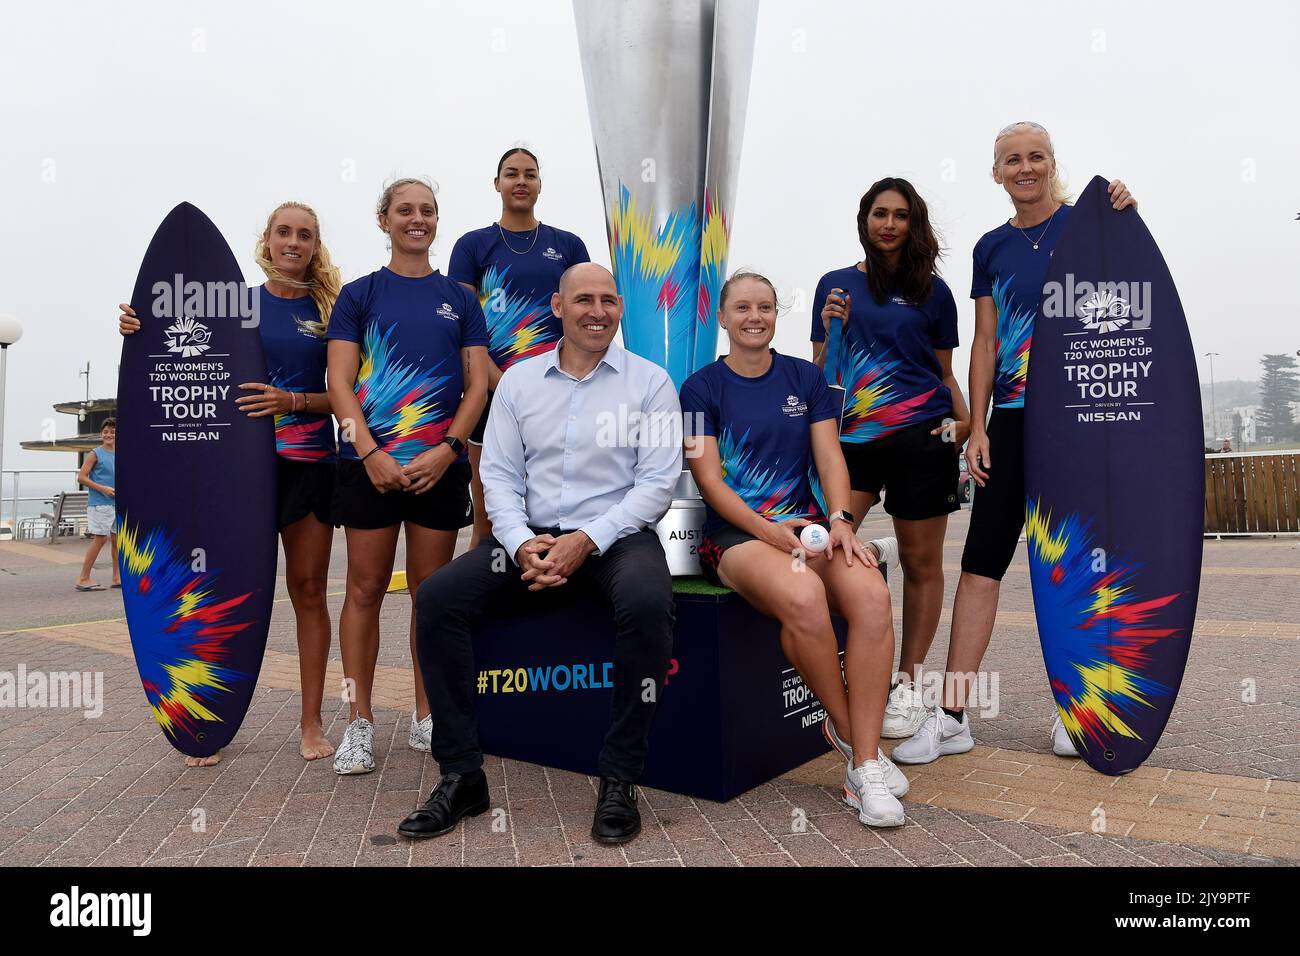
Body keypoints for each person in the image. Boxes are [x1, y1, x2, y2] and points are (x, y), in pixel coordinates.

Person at [398, 263, 679, 845]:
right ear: (558, 306)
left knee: (649, 601)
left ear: (620, 309)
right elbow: (497, 477)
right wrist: (523, 541)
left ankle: (621, 777)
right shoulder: (520, 383)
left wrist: (587, 540)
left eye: (608, 300)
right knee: (438, 599)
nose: (597, 311)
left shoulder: (651, 383)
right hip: (530, 539)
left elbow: (656, 484)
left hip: (617, 537)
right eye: (583, 300)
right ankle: (461, 775)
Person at [892, 121, 1137, 766]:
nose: (1024, 168)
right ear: (995, 172)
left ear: (1053, 162)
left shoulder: (1093, 222)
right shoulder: (990, 248)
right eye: (1011, 160)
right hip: (1013, 422)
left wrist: (1126, 211)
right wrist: (976, 424)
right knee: (980, 568)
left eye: (1035, 157)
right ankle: (951, 717)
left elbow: (1132, 298)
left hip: (1080, 421)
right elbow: (985, 342)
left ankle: (1081, 712)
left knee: (1075, 568)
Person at [118, 200, 344, 765]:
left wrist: (293, 401)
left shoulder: (331, 310)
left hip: (307, 463)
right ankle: (203, 716)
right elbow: (178, 348)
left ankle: (311, 721)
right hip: (234, 471)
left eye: (306, 236)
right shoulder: (229, 305)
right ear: (265, 240)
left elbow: (349, 395)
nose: (294, 242)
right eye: (284, 232)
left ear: (316, 246)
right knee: (218, 588)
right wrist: (139, 327)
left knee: (309, 592)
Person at [682, 271, 908, 828]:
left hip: (809, 525)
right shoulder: (696, 389)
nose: (754, 317)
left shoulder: (806, 378)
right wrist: (764, 529)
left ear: (776, 314)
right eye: (742, 307)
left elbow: (831, 457)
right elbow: (709, 480)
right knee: (805, 596)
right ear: (723, 317)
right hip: (735, 535)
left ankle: (862, 753)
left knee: (873, 596)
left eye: (764, 306)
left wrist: (841, 519)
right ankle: (863, 753)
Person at [327, 177, 489, 775]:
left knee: (432, 594)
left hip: (436, 468)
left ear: (436, 221)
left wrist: (449, 451)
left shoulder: (460, 298)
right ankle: (359, 722)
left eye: (426, 211)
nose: (415, 219)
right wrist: (369, 452)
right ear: (384, 220)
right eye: (404, 210)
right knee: (364, 591)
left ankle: (427, 716)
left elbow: (476, 385)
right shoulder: (359, 294)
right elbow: (339, 383)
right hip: (368, 466)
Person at [811, 178, 971, 740]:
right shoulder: (835, 285)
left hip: (922, 439)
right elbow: (821, 371)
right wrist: (833, 327)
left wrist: (968, 427)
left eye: (900, 215)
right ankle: (844, 662)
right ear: (864, 219)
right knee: (825, 546)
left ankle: (907, 681)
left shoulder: (935, 291)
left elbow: (945, 372)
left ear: (914, 222)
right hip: (852, 443)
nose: (889, 224)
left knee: (922, 564)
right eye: (879, 213)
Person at [448, 147, 590, 548]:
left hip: (560, 393)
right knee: (490, 521)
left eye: (530, 174)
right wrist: (503, 383)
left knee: (557, 512)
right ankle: (485, 604)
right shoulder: (473, 246)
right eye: (512, 174)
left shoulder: (567, 245)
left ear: (540, 185)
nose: (521, 181)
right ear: (497, 184)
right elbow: (461, 324)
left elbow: (585, 314)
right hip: (490, 392)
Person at [75, 419, 119, 592]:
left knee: (117, 540)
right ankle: (83, 578)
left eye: (113, 431)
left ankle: (117, 577)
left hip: (117, 504)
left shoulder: (121, 453)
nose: (109, 434)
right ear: (101, 434)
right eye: (106, 431)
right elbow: (82, 477)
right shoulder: (95, 453)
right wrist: (103, 489)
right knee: (100, 539)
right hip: (100, 504)